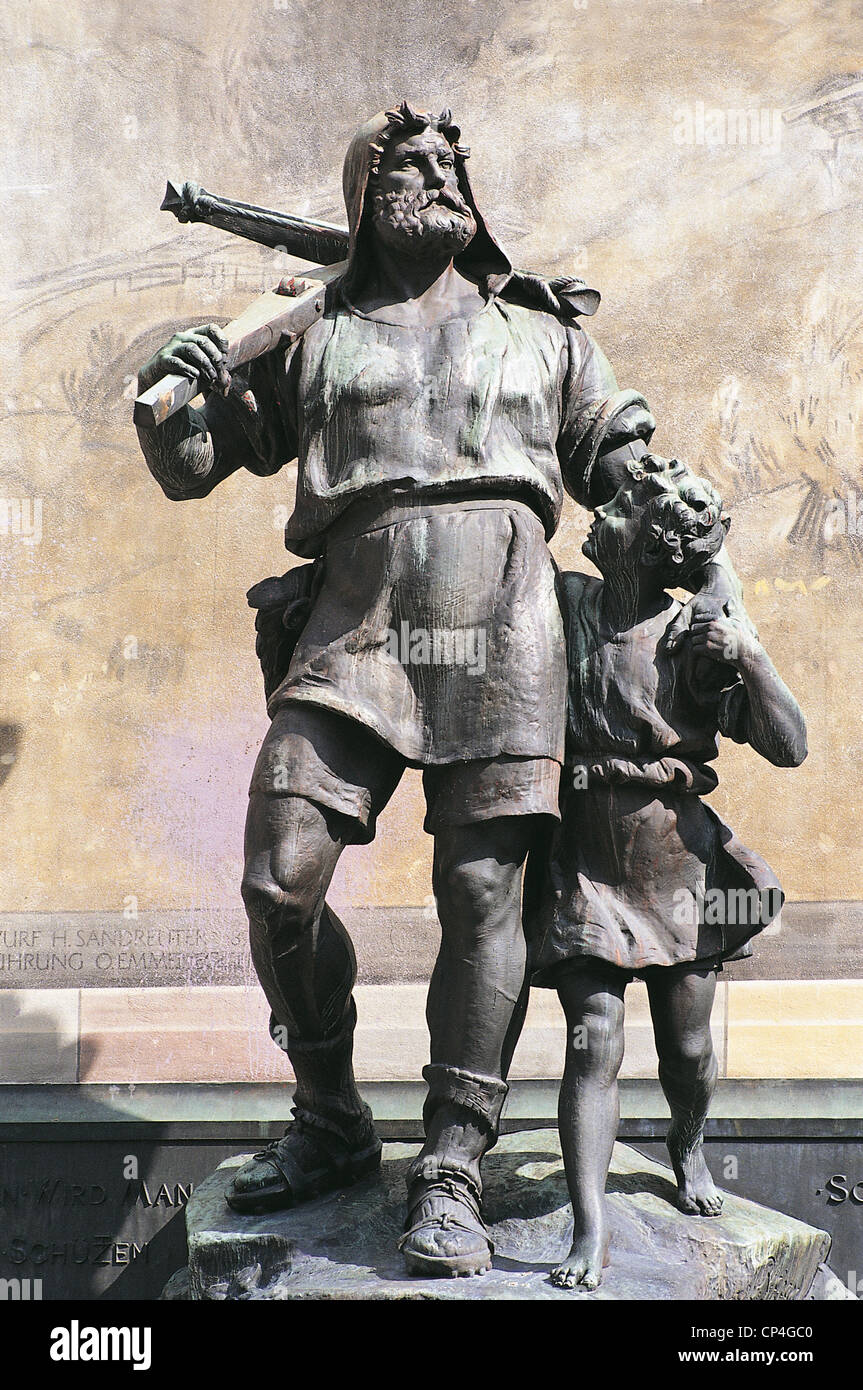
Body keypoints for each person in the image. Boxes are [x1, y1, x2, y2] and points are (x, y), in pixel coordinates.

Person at [134, 101, 741, 1279]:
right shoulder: (310, 334)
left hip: (505, 624)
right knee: (278, 881)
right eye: (406, 163)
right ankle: (330, 1118)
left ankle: (453, 1162)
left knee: (481, 890)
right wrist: (176, 400)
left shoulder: (541, 334)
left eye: (448, 161)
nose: (432, 174)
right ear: (364, 198)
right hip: (354, 619)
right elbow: (201, 463)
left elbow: (621, 467)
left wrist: (684, 535)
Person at [524, 456, 807, 1291]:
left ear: (648, 548)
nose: (595, 516)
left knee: (685, 1046)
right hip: (584, 865)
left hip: (678, 866)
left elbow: (790, 747)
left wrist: (745, 648)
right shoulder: (568, 605)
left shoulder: (692, 639)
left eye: (613, 512)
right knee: (594, 1041)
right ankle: (591, 1229)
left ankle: (686, 1145)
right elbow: (498, 557)